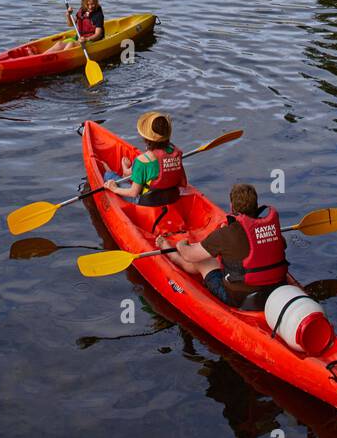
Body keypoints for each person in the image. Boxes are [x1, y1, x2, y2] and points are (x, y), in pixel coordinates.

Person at [157, 182, 288, 307]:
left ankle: (170, 253)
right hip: (274, 289)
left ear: (232, 207)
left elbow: (189, 255)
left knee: (202, 261)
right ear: (256, 205)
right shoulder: (271, 229)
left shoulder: (225, 234)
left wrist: (181, 244)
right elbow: (282, 244)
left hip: (239, 298)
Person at [107, 111, 187, 232]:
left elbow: (134, 193)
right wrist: (127, 170)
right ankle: (125, 173)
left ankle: (111, 175)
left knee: (108, 175)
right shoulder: (174, 150)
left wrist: (114, 188)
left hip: (147, 202)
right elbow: (154, 171)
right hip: (172, 197)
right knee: (138, 176)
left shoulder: (143, 160)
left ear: (145, 138)